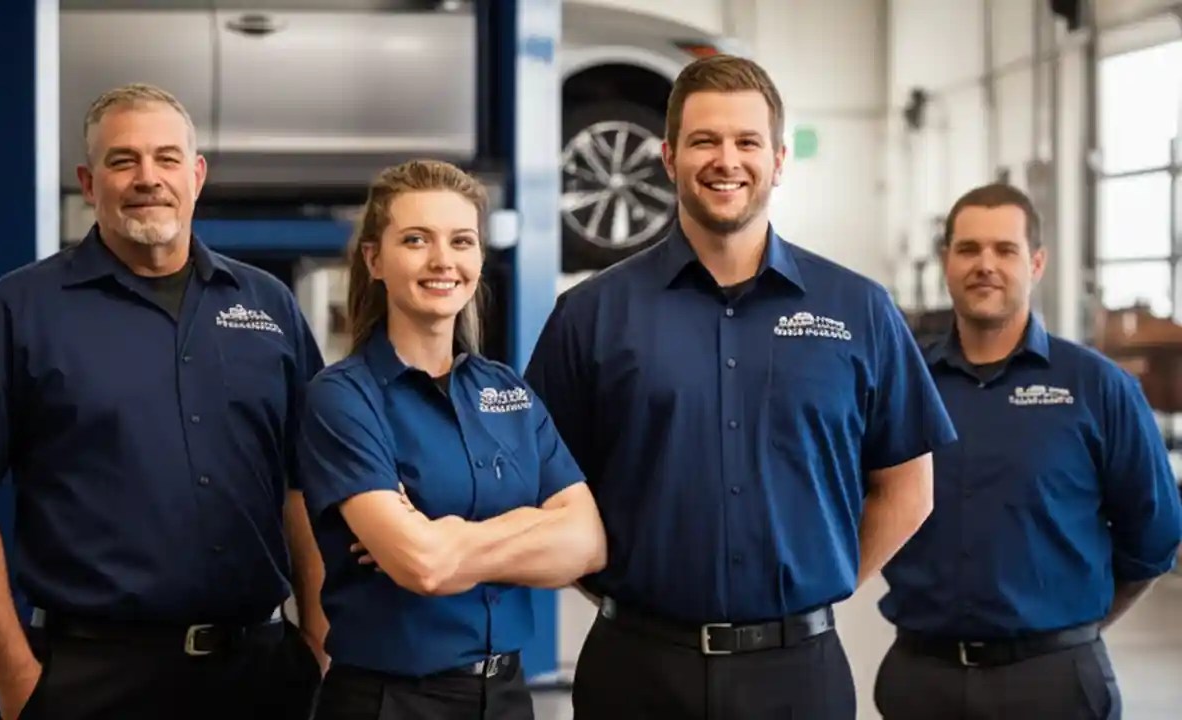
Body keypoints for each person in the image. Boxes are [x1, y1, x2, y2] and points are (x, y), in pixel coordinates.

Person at [524, 53, 959, 720]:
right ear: (668, 158)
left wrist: (816, 582)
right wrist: (628, 591)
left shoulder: (860, 310)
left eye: (747, 142)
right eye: (704, 140)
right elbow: (542, 487)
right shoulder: (591, 315)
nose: (726, 160)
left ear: (779, 160)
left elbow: (907, 488)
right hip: (635, 670)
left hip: (798, 676)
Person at [0, 83, 328, 720]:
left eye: (166, 159)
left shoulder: (268, 304)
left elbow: (305, 483)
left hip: (260, 674)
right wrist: (14, 672)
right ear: (89, 183)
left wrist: (320, 641)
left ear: (196, 176)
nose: (147, 178)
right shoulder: (20, 310)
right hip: (92, 678)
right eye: (122, 160)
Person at [295, 158, 606, 720]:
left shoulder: (507, 391)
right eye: (416, 240)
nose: (443, 260)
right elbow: (423, 566)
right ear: (374, 259)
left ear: (479, 258)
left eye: (461, 241)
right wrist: (530, 528)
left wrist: (451, 536)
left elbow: (586, 543)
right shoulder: (341, 399)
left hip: (507, 697)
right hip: (391, 702)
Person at [873, 183, 1182, 720]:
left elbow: (1153, 538)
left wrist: (1072, 627)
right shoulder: (902, 383)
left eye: (1005, 249)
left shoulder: (1096, 387)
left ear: (1036, 263)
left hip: (1053, 683)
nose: (985, 265)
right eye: (968, 249)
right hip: (922, 679)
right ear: (946, 261)